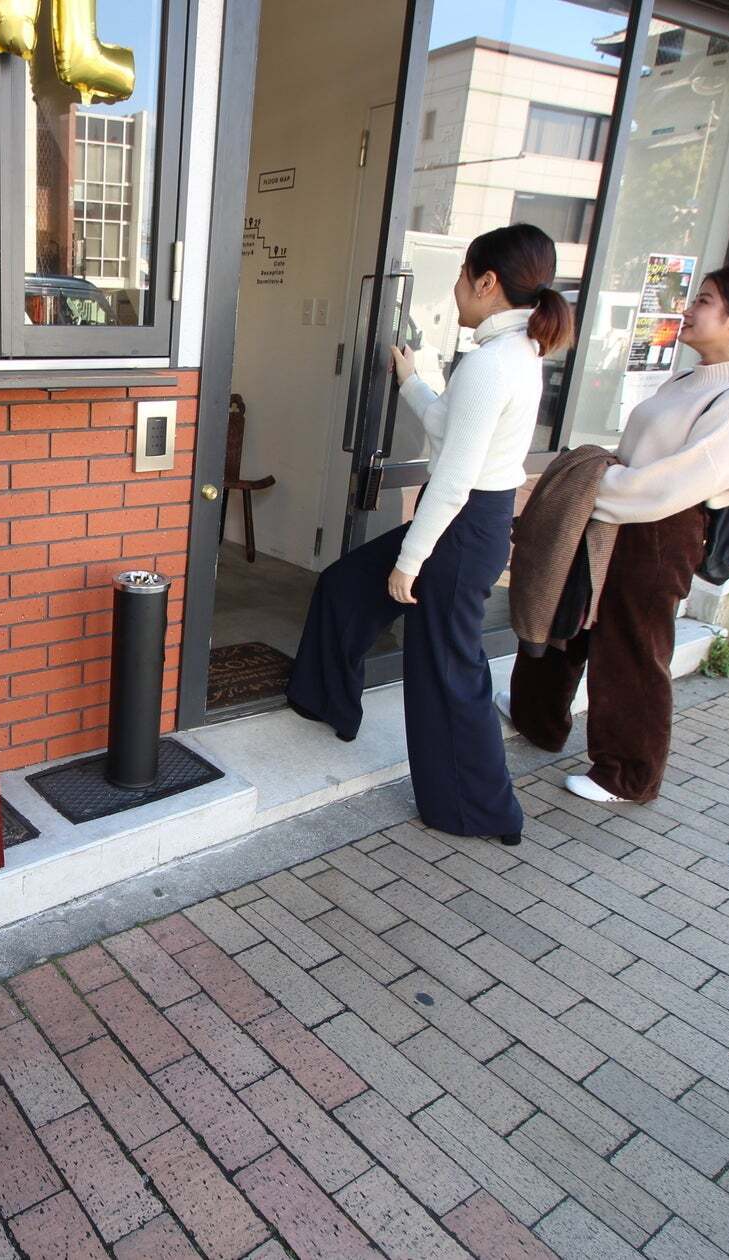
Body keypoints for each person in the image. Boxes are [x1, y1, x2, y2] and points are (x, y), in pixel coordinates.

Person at [287, 223, 574, 846]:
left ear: (487, 282)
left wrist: (410, 561)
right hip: (470, 522)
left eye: (464, 274)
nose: (457, 287)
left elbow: (452, 477)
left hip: (460, 525)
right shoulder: (514, 352)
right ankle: (327, 701)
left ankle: (481, 811)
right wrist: (411, 378)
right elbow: (450, 425)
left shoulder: (495, 363)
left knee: (448, 670)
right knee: (345, 587)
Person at [504, 262, 729, 804]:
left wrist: (593, 488)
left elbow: (677, 484)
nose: (689, 310)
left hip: (659, 533)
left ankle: (628, 776)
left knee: (633, 648)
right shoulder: (696, 377)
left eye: (705, 301)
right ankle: (539, 722)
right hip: (620, 518)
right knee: (570, 617)